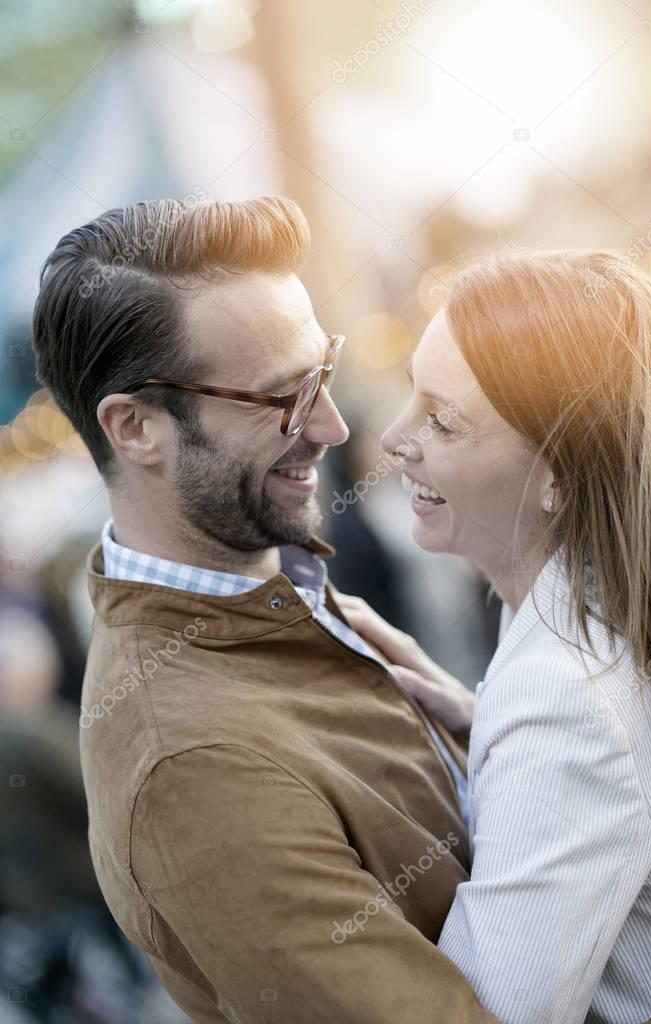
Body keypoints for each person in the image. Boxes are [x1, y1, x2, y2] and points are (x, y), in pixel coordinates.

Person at [31, 195, 493, 1023]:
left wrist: (490, 737)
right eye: (280, 397)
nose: (331, 422)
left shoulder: (273, 591)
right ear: (135, 427)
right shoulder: (190, 768)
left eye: (323, 370)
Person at [339, 247, 651, 1023]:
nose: (394, 438)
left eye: (443, 419)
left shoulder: (564, 699)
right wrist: (484, 718)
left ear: (557, 474)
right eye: (408, 396)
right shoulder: (580, 623)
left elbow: (486, 1014)